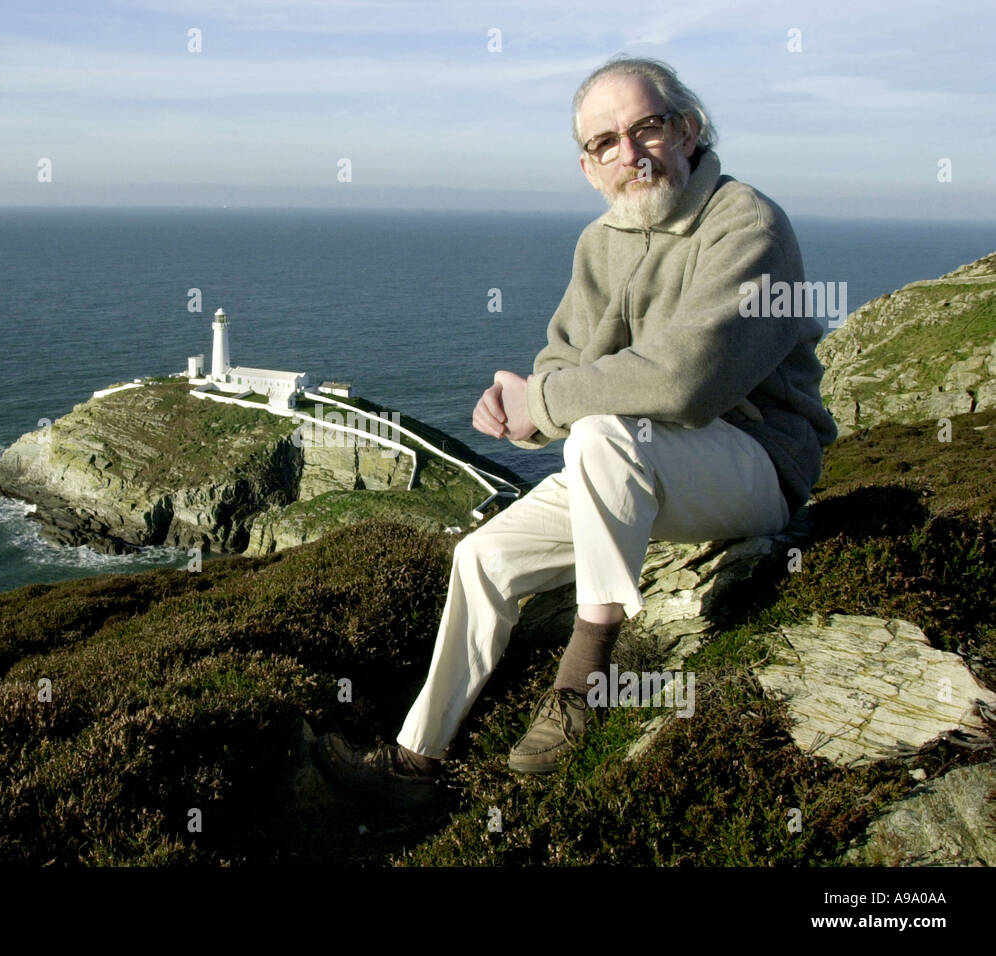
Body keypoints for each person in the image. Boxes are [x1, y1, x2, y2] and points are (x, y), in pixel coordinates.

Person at [315, 55, 839, 808]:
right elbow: (562, 368)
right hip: (641, 463)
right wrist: (515, 411)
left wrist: (548, 401)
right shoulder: (601, 242)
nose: (630, 153)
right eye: (604, 143)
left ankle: (584, 679)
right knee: (482, 556)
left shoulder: (746, 223)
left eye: (647, 127)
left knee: (601, 434)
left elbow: (687, 382)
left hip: (756, 467)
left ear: (688, 131)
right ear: (588, 166)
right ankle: (415, 760)